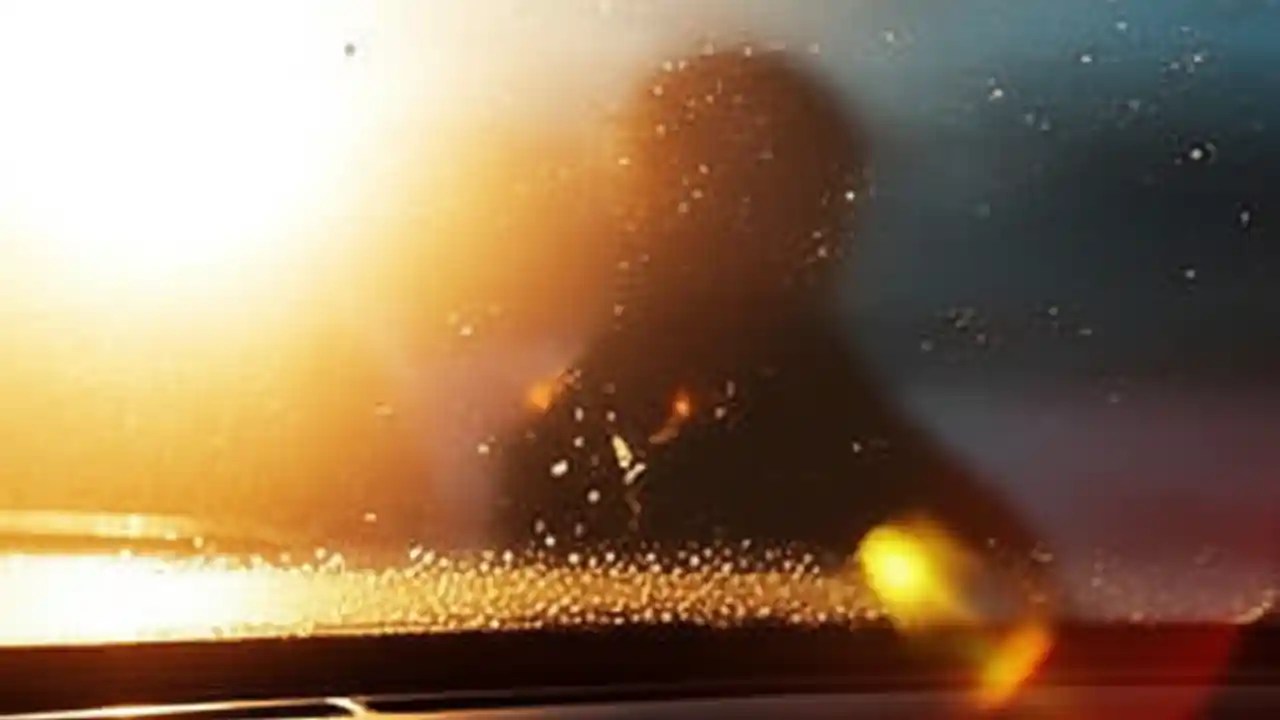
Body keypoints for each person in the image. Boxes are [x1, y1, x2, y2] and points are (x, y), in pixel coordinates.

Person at [491, 47, 1041, 575]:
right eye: (809, 200)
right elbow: (1006, 587)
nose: (829, 234)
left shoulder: (583, 428)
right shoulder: (833, 433)